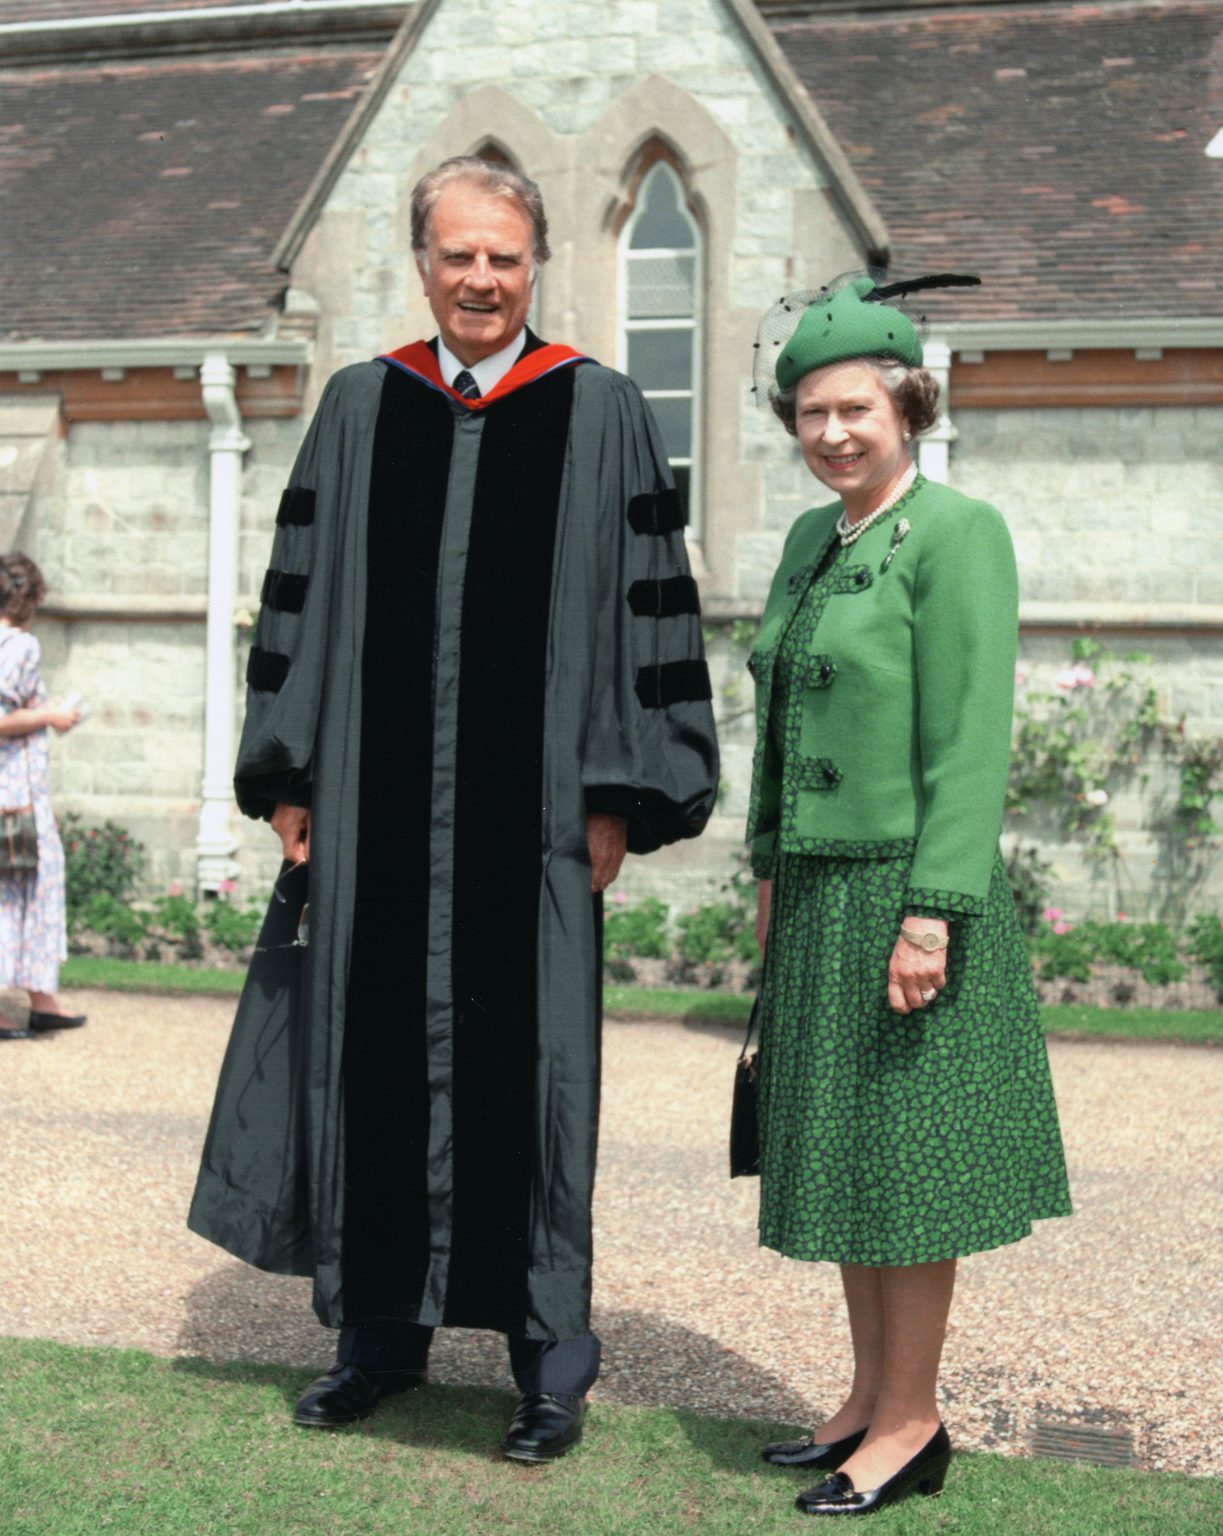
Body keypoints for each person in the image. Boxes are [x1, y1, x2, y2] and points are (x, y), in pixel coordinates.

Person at [188, 157, 719, 1462]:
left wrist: (624, 795)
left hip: (536, 821)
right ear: (419, 262)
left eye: (504, 257)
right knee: (365, 1057)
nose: (480, 279)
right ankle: (374, 1339)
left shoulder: (598, 413)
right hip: (371, 813)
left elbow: (649, 611)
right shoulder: (361, 407)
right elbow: (295, 596)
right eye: (456, 255)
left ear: (536, 264)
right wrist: (288, 773)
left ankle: (546, 1365)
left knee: (531, 1077)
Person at [743, 275, 1071, 1516]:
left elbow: (969, 740)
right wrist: (769, 868)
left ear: (906, 406)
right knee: (840, 1159)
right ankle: (865, 1399)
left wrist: (931, 909)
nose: (830, 434)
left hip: (906, 889)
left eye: (852, 410)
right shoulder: (803, 543)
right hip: (820, 891)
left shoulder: (956, 533)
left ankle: (913, 1422)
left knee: (901, 1166)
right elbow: (773, 722)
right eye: (808, 413)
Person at [0, 553, 85, 1039]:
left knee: (19, 892)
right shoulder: (21, 646)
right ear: (30, 599)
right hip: (16, 795)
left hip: (16, 791)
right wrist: (52, 716)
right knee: (30, 886)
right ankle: (38, 999)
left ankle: (42, 998)